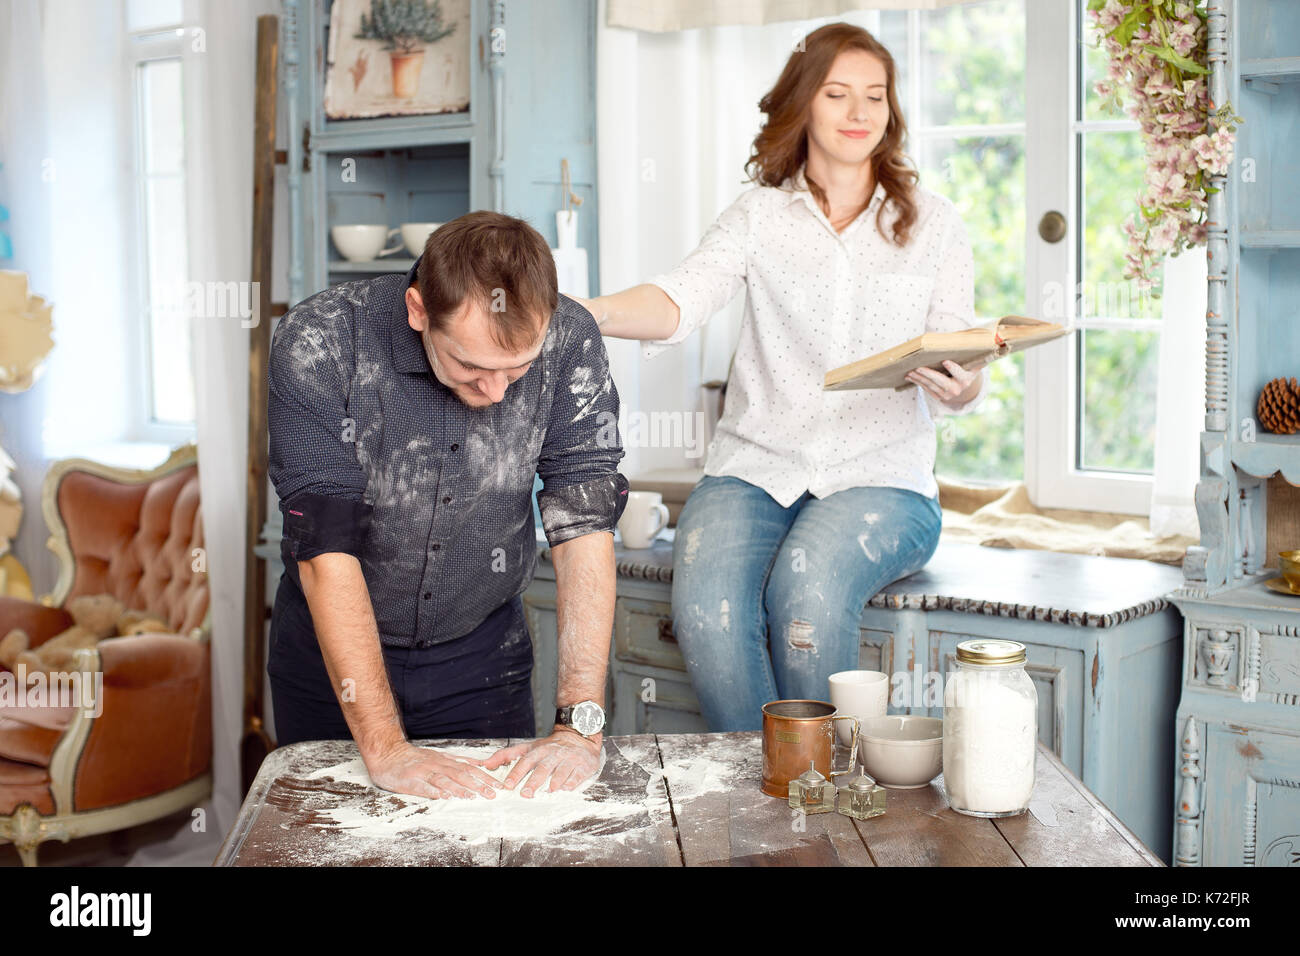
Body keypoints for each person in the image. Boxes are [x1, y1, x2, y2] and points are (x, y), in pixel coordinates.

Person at [574, 22, 988, 731]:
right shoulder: (758, 217)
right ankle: (777, 804)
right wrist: (587, 311)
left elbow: (961, 359)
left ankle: (817, 809)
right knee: (704, 607)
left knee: (807, 590)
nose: (860, 113)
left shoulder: (935, 224)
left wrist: (964, 384)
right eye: (838, 94)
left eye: (875, 97)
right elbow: (681, 298)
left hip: (884, 479)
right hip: (756, 467)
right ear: (805, 103)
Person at [267, 211, 628, 798]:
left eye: (520, 369)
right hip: (335, 669)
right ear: (417, 310)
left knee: (489, 844)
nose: (496, 393)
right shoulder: (322, 339)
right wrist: (385, 751)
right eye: (472, 366)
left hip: (484, 661)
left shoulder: (571, 338)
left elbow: (584, 525)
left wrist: (578, 727)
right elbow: (323, 547)